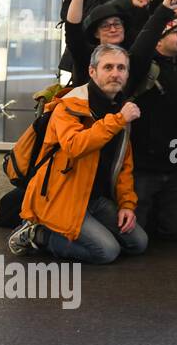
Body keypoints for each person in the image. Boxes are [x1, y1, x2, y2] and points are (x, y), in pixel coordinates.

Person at [8, 44, 148, 264]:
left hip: (94, 198)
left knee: (138, 242)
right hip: (60, 195)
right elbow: (75, 145)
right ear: (92, 71)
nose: (115, 73)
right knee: (107, 251)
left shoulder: (120, 108)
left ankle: (80, 229)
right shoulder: (71, 105)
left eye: (121, 68)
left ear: (127, 74)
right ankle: (39, 235)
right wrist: (118, 120)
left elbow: (123, 165)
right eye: (108, 67)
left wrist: (127, 205)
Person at [126, 0, 177, 243]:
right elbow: (140, 49)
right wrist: (163, 11)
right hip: (144, 168)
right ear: (158, 41)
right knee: (136, 236)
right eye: (175, 32)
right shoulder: (143, 68)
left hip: (176, 167)